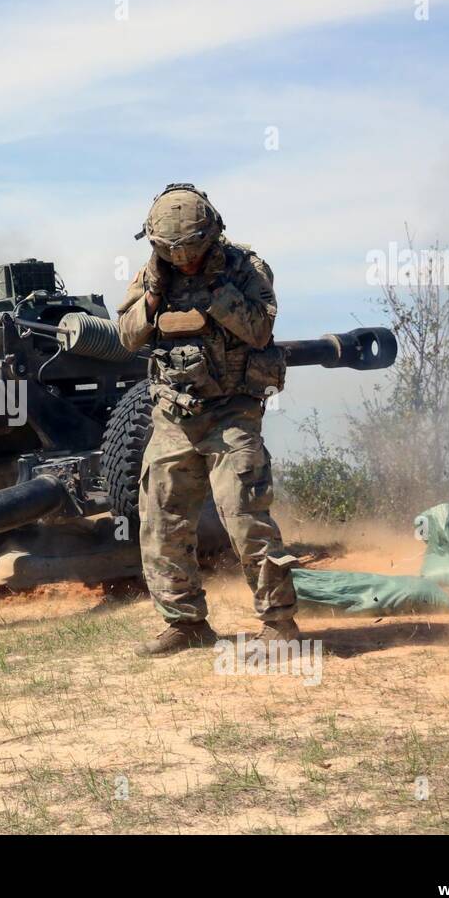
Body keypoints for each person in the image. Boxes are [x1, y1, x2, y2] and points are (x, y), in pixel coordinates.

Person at [116, 184, 298, 657]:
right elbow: (128, 337)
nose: (185, 262)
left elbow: (260, 329)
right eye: (173, 253)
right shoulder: (153, 274)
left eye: (193, 251)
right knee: (160, 522)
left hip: (231, 411)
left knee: (244, 517)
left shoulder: (244, 268)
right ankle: (185, 623)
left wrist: (217, 289)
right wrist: (155, 293)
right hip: (173, 414)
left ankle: (279, 624)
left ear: (212, 235)